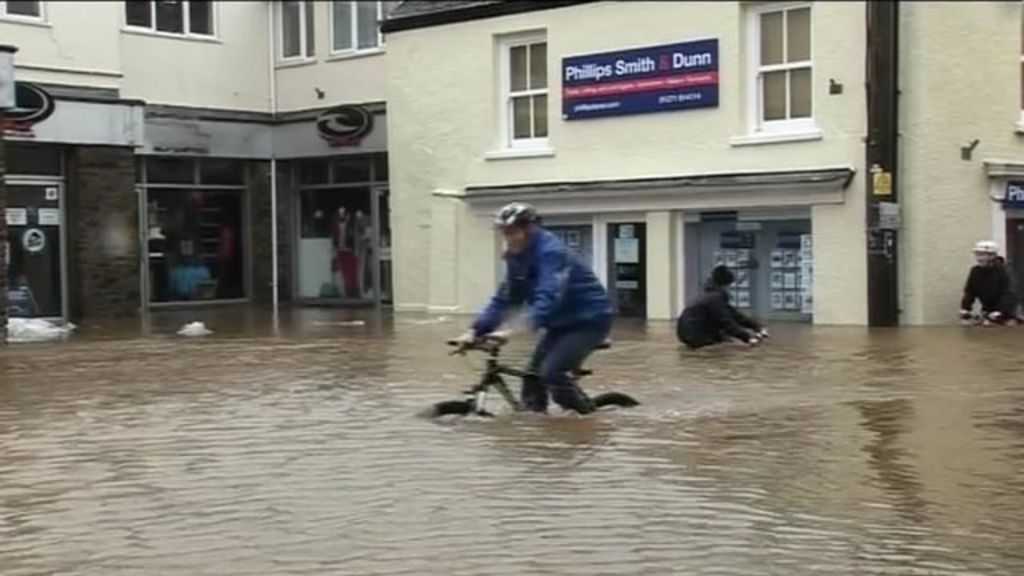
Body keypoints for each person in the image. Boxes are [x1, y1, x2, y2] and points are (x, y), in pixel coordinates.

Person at [452, 202, 613, 415]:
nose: (508, 238)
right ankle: (535, 426)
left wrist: (511, 330)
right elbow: (505, 299)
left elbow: (548, 299)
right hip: (558, 324)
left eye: (512, 232)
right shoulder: (515, 257)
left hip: (589, 320)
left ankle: (586, 424)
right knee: (532, 376)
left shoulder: (551, 253)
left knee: (551, 372)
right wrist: (474, 331)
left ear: (529, 229)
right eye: (504, 233)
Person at [676, 265, 769, 349]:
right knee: (728, 348)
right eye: (730, 285)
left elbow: (735, 315)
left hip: (689, 334)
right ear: (725, 285)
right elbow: (726, 322)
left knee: (728, 342)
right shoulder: (715, 298)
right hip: (697, 336)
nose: (730, 289)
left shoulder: (712, 295)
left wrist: (757, 327)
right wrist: (748, 337)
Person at [959, 240, 1019, 325]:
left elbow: (1010, 293)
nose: (979, 258)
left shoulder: (1004, 271)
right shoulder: (975, 272)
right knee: (969, 325)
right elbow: (969, 292)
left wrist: (1001, 311)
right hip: (988, 312)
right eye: (977, 255)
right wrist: (965, 308)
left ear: (992, 256)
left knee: (1006, 328)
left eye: (982, 255)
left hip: (1007, 313)